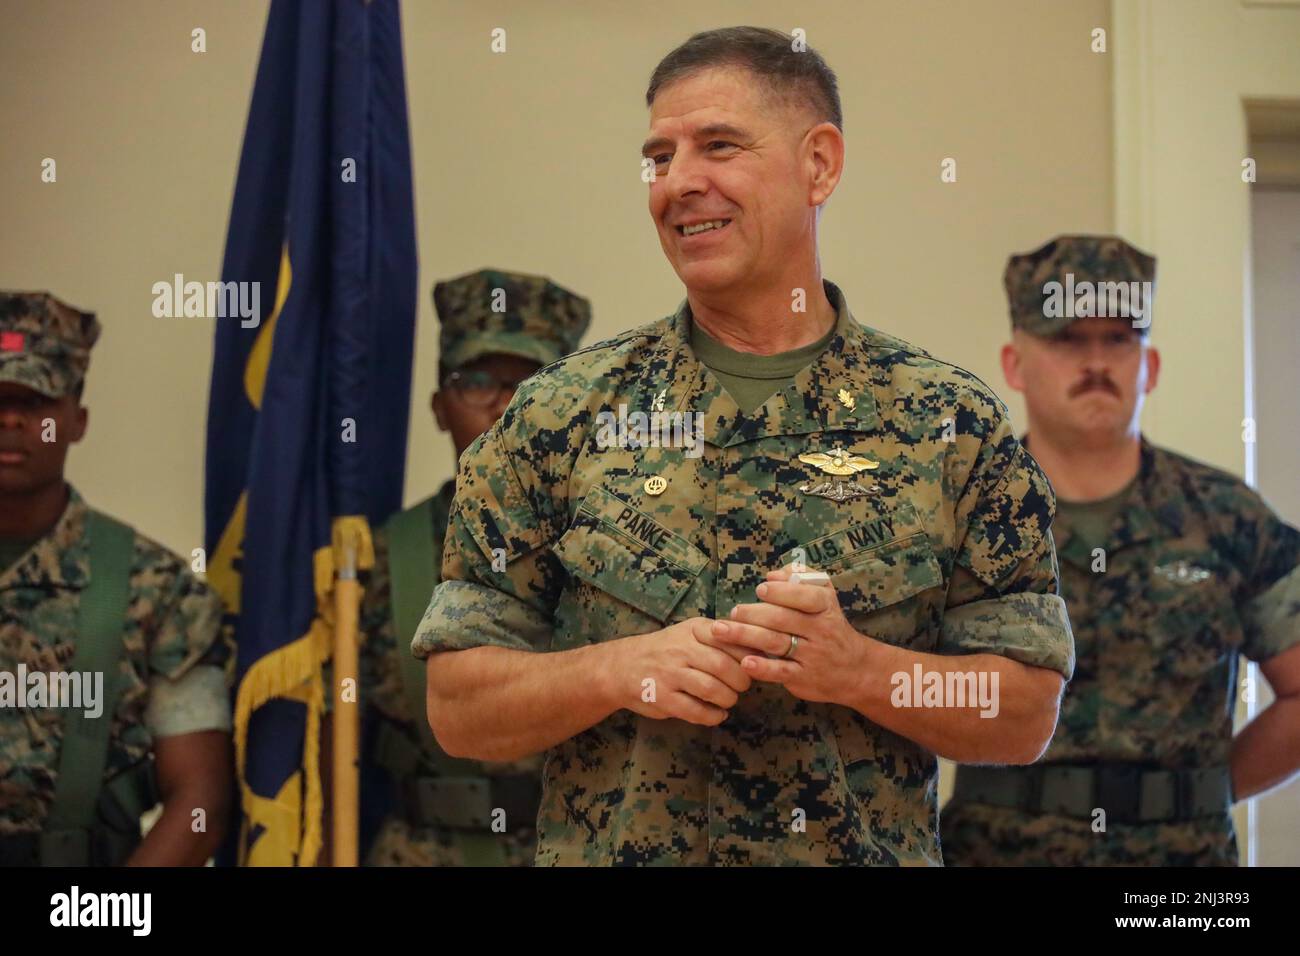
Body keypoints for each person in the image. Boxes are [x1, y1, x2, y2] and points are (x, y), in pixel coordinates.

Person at [412, 27, 1074, 866]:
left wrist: (861, 669)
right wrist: (615, 670)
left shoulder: (951, 422)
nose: (679, 182)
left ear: (819, 164)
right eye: (659, 157)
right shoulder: (558, 417)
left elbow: (1022, 714)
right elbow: (459, 704)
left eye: (718, 146)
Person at [942, 235, 1300, 866]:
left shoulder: (1226, 516)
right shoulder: (964, 515)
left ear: (1149, 365)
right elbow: (890, 682)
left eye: (1119, 339)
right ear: (1014, 365)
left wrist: (1199, 794)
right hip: (995, 854)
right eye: (1067, 339)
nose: (1096, 361)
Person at [357, 269, 590, 866]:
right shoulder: (378, 556)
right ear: (439, 406)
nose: (503, 405)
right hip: (422, 850)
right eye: (475, 381)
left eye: (531, 384)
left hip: (575, 847)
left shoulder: (614, 547)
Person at [0, 291, 233, 866]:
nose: (11, 419)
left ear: (77, 421)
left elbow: (199, 803)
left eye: (36, 400)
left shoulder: (153, 589)